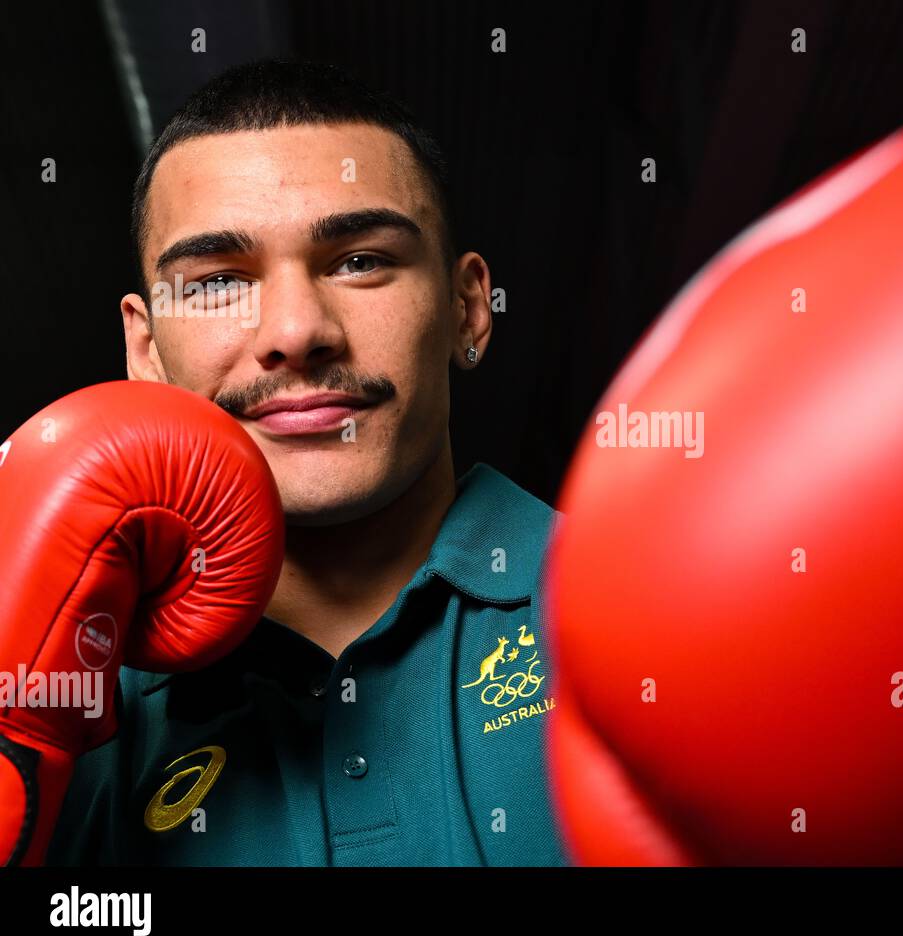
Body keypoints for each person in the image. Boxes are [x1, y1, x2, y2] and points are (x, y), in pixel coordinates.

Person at [45, 59, 567, 865]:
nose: (295, 330)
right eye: (220, 281)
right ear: (144, 352)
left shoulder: (651, 605)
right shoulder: (67, 691)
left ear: (467, 309)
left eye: (359, 260)